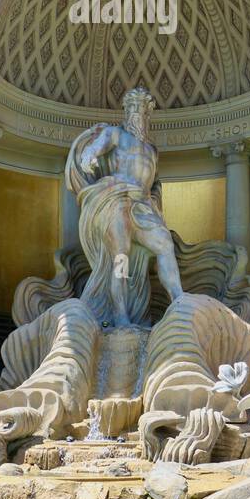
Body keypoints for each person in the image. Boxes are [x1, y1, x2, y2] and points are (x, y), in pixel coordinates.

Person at [66, 86, 183, 328]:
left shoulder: (152, 150)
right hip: (116, 199)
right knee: (120, 256)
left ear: (147, 116)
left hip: (142, 204)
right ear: (126, 112)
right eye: (132, 110)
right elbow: (94, 150)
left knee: (164, 244)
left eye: (141, 111)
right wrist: (89, 156)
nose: (136, 115)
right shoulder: (115, 134)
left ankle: (178, 301)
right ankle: (120, 316)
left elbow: (154, 183)